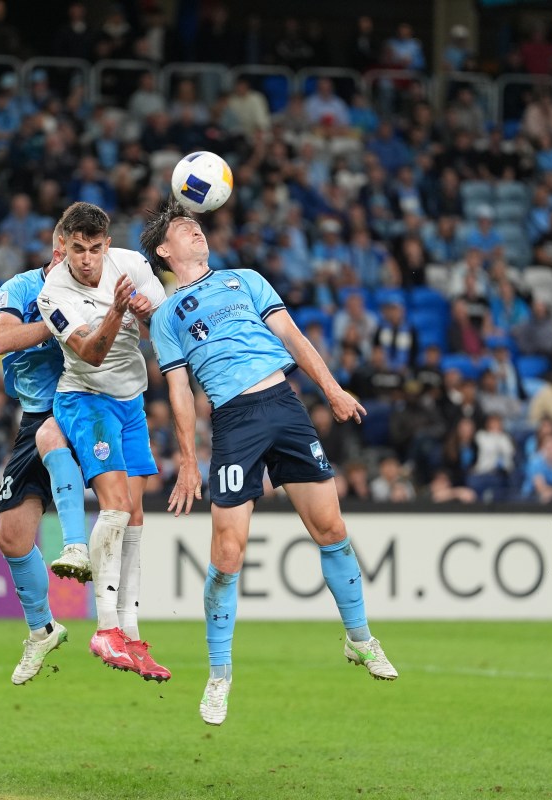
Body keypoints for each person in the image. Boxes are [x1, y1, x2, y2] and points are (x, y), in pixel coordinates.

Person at [141, 203, 397, 726]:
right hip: (233, 422)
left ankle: (359, 639)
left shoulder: (246, 280)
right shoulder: (167, 316)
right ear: (164, 251)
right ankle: (219, 675)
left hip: (285, 407)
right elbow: (179, 391)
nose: (197, 229)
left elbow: (293, 338)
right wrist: (189, 461)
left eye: (198, 224)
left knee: (331, 527)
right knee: (228, 553)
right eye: (183, 228)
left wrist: (331, 389)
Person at [37, 201, 171, 682]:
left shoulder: (132, 264)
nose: (87, 258)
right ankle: (104, 628)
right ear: (64, 247)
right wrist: (118, 310)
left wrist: (147, 312)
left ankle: (131, 636)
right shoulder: (53, 294)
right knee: (114, 505)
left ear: (107, 244)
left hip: (130, 402)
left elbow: (166, 328)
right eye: (78, 249)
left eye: (95, 248)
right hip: (85, 399)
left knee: (135, 515)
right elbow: (90, 355)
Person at [0, 222, 92, 685]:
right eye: (68, 255)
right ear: (55, 254)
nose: (77, 265)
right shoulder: (22, 287)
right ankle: (42, 628)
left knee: (55, 434)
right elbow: (0, 340)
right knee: (11, 538)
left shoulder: (94, 288)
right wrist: (55, 323)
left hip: (80, 404)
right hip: (31, 416)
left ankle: (77, 546)